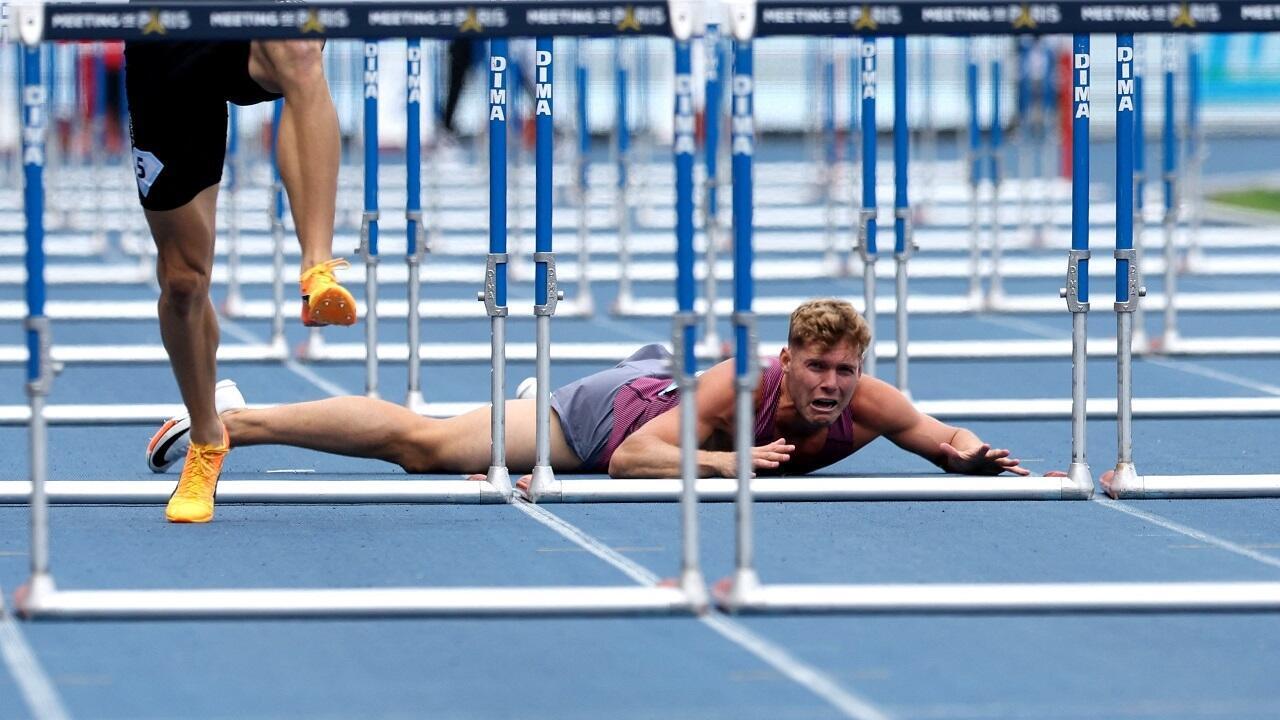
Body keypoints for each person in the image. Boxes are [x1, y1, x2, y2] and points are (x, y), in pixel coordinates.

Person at [147, 299, 1031, 521]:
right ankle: (229, 416)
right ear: (788, 363)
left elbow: (941, 436)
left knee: (441, 445)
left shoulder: (871, 402)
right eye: (818, 369)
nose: (833, 385)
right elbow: (635, 463)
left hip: (665, 406)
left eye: (844, 369)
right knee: (426, 447)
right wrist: (729, 462)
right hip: (618, 415)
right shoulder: (743, 381)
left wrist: (975, 455)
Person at [126, 38, 357, 523]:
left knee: (297, 53)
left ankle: (317, 266)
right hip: (166, 34)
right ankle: (207, 437)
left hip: (252, 15)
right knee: (183, 281)